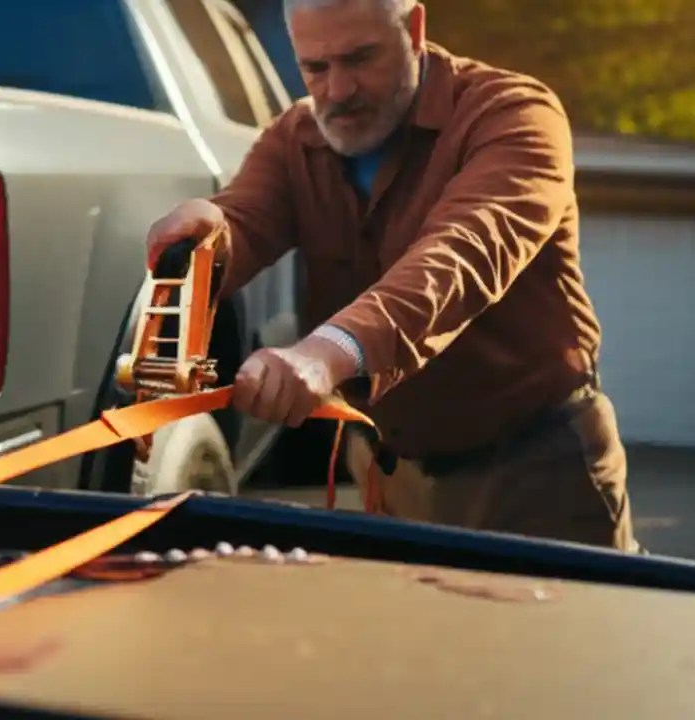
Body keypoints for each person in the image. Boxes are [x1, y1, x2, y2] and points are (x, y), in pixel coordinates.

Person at [145, 0, 639, 552]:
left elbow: (463, 254)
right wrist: (208, 232)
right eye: (315, 68)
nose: (337, 90)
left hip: (533, 470)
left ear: (415, 29)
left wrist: (324, 354)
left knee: (553, 639)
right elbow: (244, 217)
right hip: (388, 469)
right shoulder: (296, 137)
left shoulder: (513, 115)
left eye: (360, 58)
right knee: (409, 637)